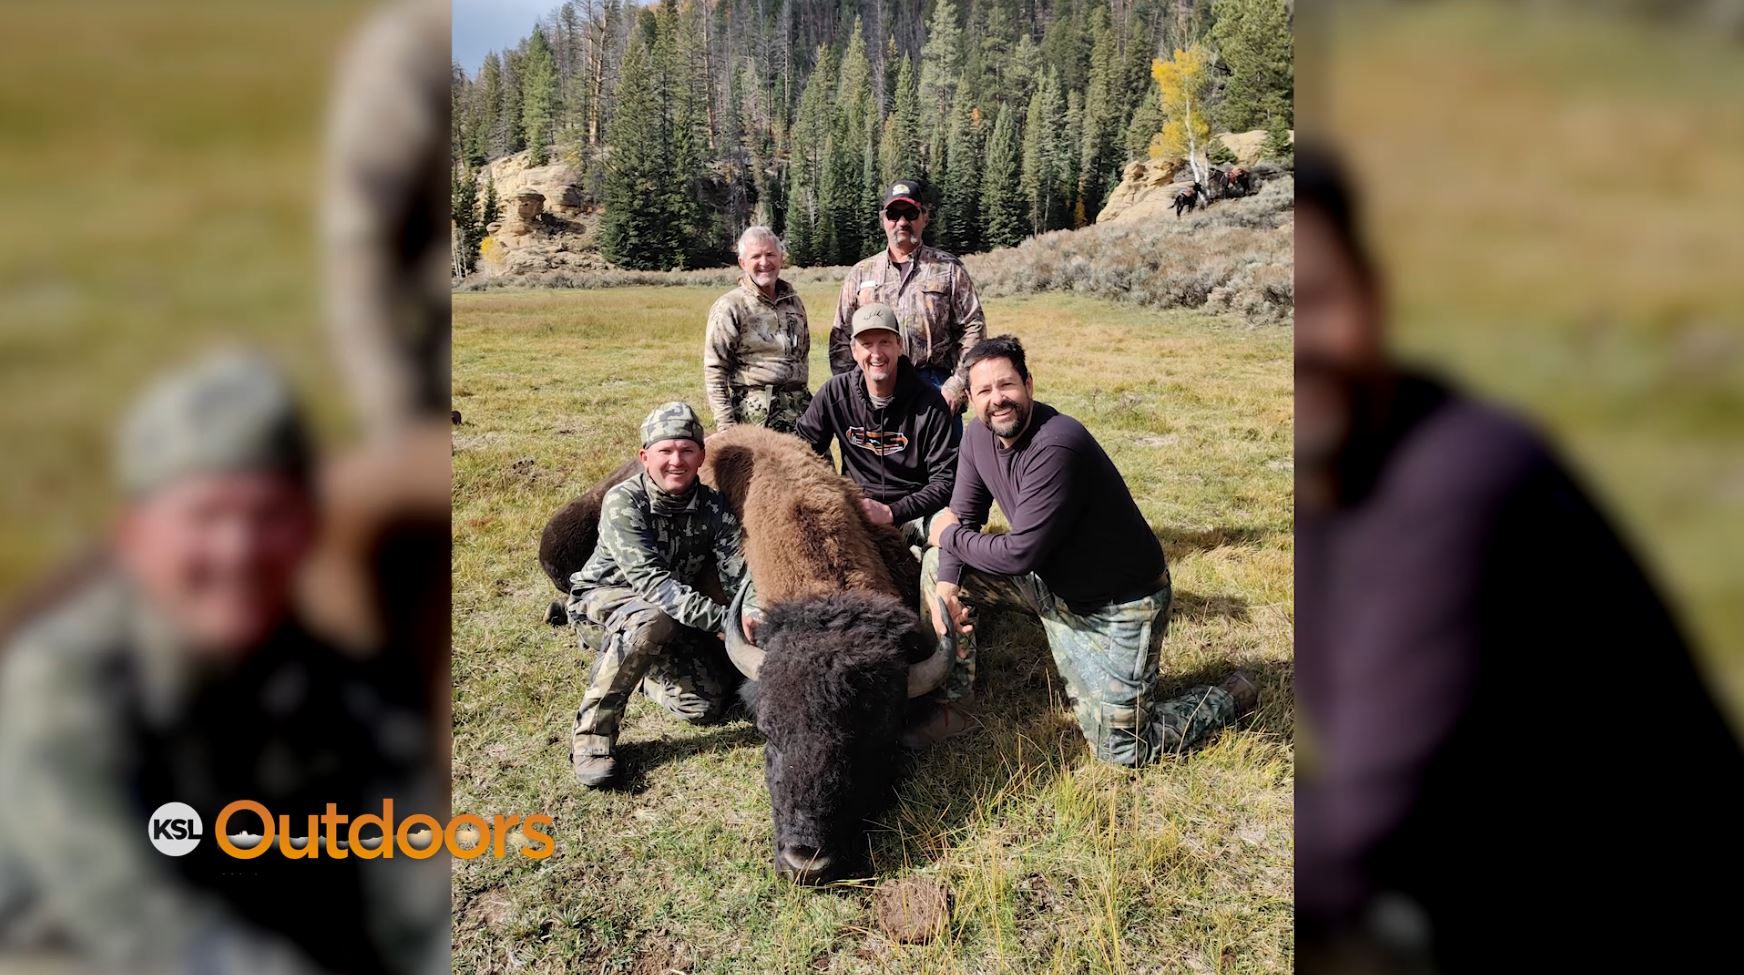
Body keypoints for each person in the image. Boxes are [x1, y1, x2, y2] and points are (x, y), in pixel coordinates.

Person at [1292, 149, 1744, 973]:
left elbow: (1357, 835)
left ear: (1376, 297)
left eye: (1315, 301)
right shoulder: (1329, 482)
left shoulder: (1458, 480)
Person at [0, 352, 435, 975]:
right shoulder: (60, 681)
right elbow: (134, 923)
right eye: (204, 517)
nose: (238, 552)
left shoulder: (337, 684)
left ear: (309, 528)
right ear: (134, 534)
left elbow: (414, 868)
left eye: (267, 516)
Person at [917, 336, 1256, 757]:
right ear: (970, 397)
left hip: (1121, 605)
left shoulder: (1058, 442)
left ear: (1029, 385)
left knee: (1125, 749)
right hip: (1050, 583)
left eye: (1007, 385)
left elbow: (1017, 552)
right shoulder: (976, 439)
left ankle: (1227, 696)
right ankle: (955, 705)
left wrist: (945, 534)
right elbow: (964, 517)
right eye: (984, 391)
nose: (998, 400)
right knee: (938, 565)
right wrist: (948, 585)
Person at [567, 403, 750, 789]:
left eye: (686, 450)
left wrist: (749, 613)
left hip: (671, 618)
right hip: (604, 604)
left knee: (703, 706)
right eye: (665, 451)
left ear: (702, 455)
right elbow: (653, 583)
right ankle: (592, 737)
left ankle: (640, 674)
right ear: (645, 456)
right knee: (651, 618)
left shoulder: (714, 507)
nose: (676, 461)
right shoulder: (624, 501)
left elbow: (737, 575)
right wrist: (724, 622)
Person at [796, 303, 959, 551]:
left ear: (899, 345)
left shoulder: (930, 402)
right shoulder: (834, 394)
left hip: (915, 512)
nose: (876, 353)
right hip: (856, 511)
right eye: (866, 344)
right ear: (853, 351)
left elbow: (946, 481)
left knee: (948, 533)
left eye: (884, 342)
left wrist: (892, 512)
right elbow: (801, 451)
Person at [830, 179, 986, 418]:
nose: (902, 222)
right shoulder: (861, 273)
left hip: (935, 385)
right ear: (883, 220)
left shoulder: (948, 269)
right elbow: (841, 335)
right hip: (875, 385)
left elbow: (973, 328)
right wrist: (851, 389)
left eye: (910, 213)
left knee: (941, 456)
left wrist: (958, 384)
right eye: (893, 214)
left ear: (924, 217)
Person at [703, 227, 812, 433]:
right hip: (755, 415)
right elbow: (715, 369)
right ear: (743, 263)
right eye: (756, 256)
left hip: (801, 411)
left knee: (813, 465)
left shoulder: (794, 303)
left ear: (781, 259)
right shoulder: (730, 306)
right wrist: (726, 427)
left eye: (771, 254)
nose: (764, 262)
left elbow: (803, 354)